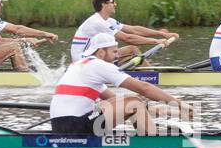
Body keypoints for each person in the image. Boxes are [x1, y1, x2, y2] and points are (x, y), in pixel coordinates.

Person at [49, 33, 195, 135]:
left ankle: (150, 134)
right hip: (75, 125)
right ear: (101, 53)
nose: (118, 56)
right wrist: (179, 104)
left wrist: (159, 110)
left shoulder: (80, 65)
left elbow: (116, 102)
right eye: (114, 52)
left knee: (130, 103)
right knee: (134, 101)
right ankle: (153, 141)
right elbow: (144, 88)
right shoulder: (99, 65)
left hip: (60, 125)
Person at [70, 0, 178, 63]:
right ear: (103, 4)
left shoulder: (108, 20)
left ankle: (147, 75)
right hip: (82, 62)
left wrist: (162, 34)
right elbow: (127, 38)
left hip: (94, 58)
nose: (115, 4)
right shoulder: (97, 23)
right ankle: (151, 76)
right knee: (132, 49)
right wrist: (156, 41)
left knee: (131, 52)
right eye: (113, 2)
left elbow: (133, 30)